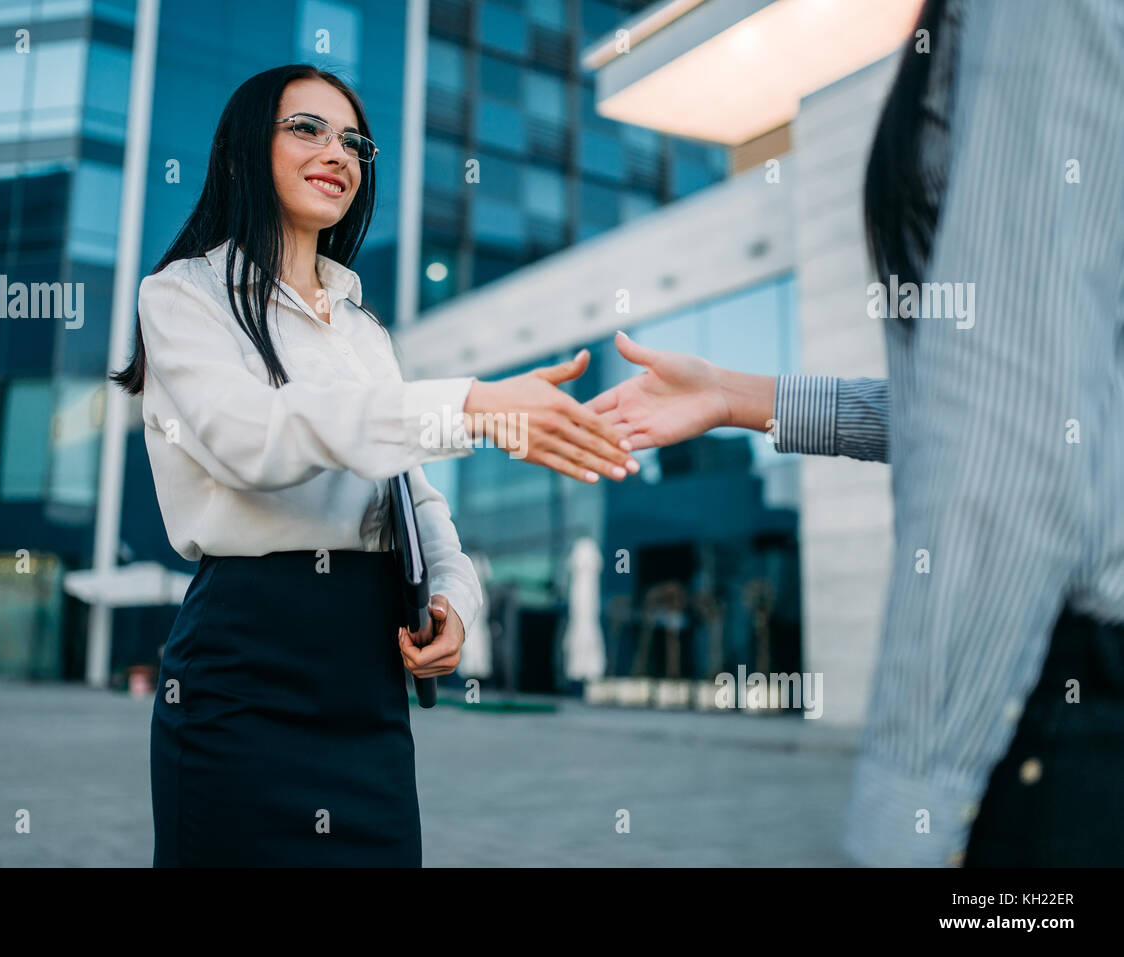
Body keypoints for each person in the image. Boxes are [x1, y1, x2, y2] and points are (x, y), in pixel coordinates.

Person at [587, 0, 1124, 866]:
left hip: (1069, 721)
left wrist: (908, 806)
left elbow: (1008, 430)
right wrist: (735, 394)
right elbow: (1048, 407)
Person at [110, 64, 639, 867]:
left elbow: (416, 501)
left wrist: (456, 602)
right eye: (309, 129)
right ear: (247, 148)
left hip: (366, 681)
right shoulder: (183, 295)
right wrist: (468, 406)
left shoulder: (362, 330)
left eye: (355, 140)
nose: (340, 153)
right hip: (243, 664)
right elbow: (254, 440)